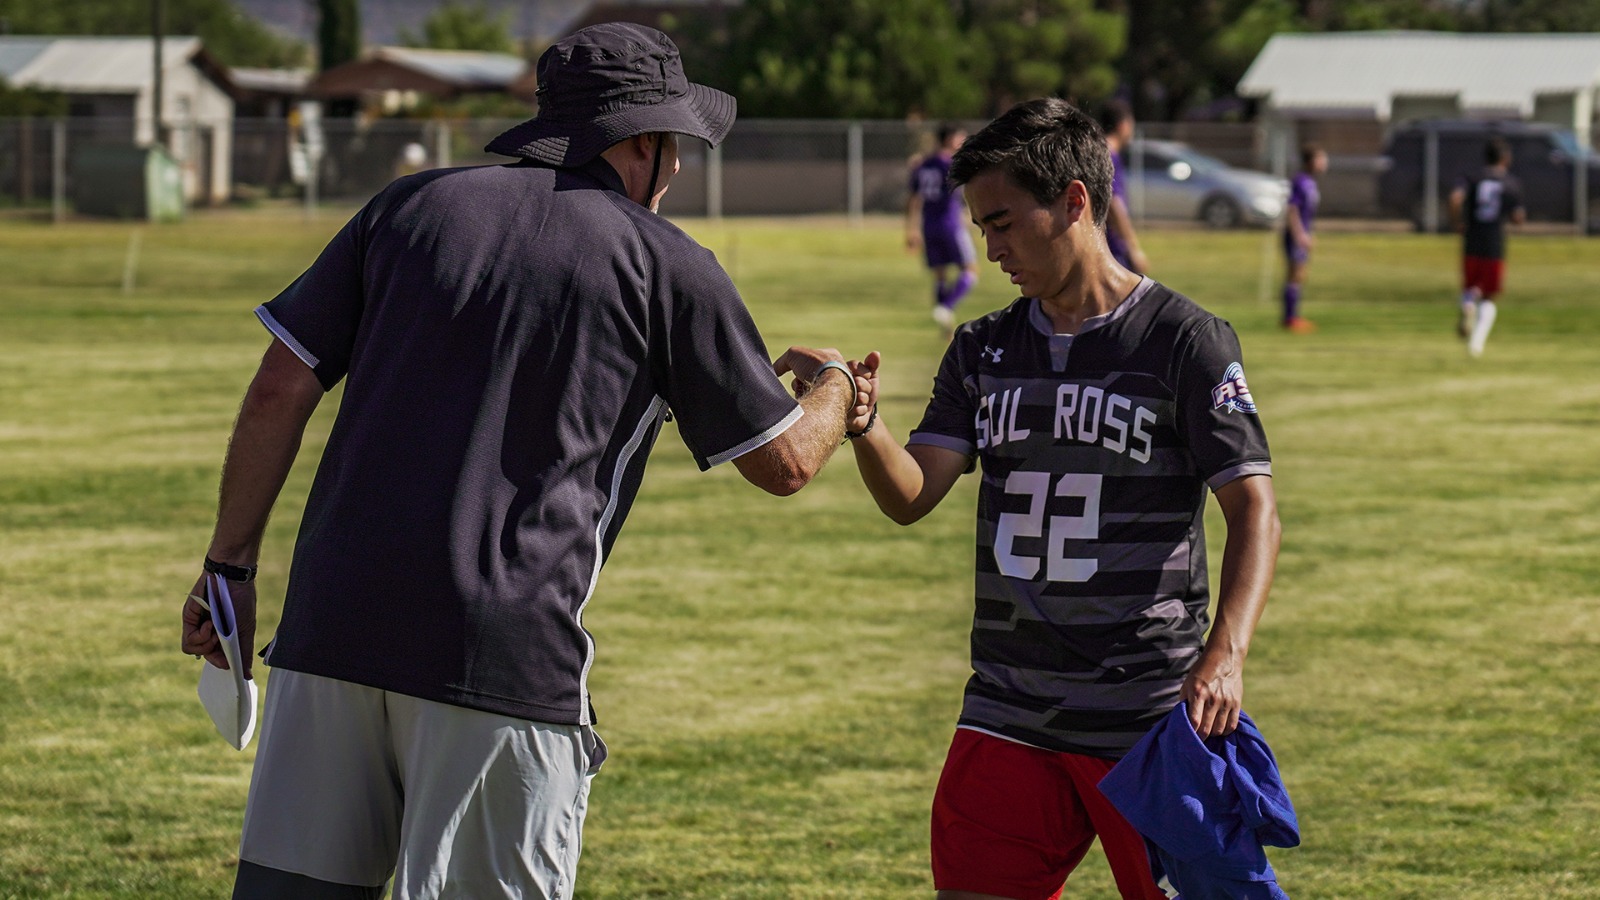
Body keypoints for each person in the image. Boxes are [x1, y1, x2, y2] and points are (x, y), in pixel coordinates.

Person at [180, 23, 869, 900]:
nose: (682, 169)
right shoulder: (668, 265)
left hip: (330, 627)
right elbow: (784, 462)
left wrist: (227, 567)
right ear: (642, 142)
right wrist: (839, 388)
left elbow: (280, 387)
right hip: (501, 664)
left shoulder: (407, 208)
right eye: (679, 145)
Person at [842, 98, 1281, 900]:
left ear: (1075, 201)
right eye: (982, 227)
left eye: (1004, 222)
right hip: (1009, 708)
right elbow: (912, 495)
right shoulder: (982, 347)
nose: (992, 247)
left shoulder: (1184, 341)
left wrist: (1227, 655)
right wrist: (864, 423)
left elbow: (1254, 509)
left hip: (1146, 712)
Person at [1449, 138, 1524, 358]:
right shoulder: (1511, 183)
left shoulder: (1472, 178)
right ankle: (1476, 344)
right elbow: (1518, 217)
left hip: (1471, 239)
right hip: (1494, 243)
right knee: (1490, 296)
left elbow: (1455, 198)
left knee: (1470, 286)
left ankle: (1469, 303)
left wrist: (1457, 222)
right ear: (1505, 158)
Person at [908, 124, 981, 335]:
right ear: (949, 138)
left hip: (928, 225)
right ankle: (946, 306)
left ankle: (944, 325)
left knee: (940, 275)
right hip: (950, 224)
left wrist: (911, 230)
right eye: (960, 136)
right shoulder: (950, 164)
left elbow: (913, 198)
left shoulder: (923, 164)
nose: (963, 140)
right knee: (971, 271)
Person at [1097, 100, 1148, 275]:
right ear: (1123, 125)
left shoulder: (1098, 151)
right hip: (1112, 247)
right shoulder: (1109, 154)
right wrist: (1133, 248)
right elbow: (1113, 202)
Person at [1280, 143, 1326, 334]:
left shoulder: (1310, 182)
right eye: (1321, 159)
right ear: (1311, 161)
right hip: (1295, 236)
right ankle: (1290, 318)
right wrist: (1300, 235)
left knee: (1299, 275)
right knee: (1295, 274)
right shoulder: (1300, 181)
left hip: (1303, 235)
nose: (1324, 163)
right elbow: (1292, 209)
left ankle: (1292, 316)